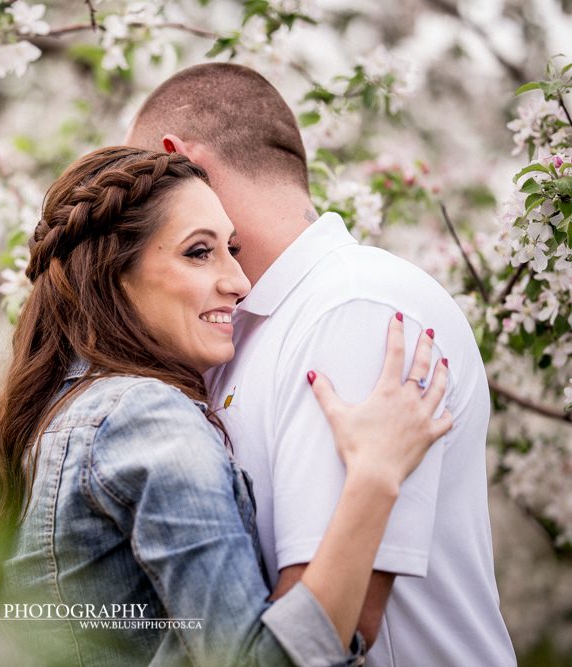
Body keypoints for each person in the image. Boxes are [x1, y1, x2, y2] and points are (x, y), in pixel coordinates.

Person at [0, 146, 453, 666]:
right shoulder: (142, 418)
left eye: (233, 248)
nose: (240, 283)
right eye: (199, 252)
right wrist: (374, 475)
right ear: (113, 275)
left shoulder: (51, 421)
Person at [125, 63, 516, 665]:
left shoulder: (353, 306)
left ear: (185, 163)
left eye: (142, 178)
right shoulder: (233, 329)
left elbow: (335, 624)